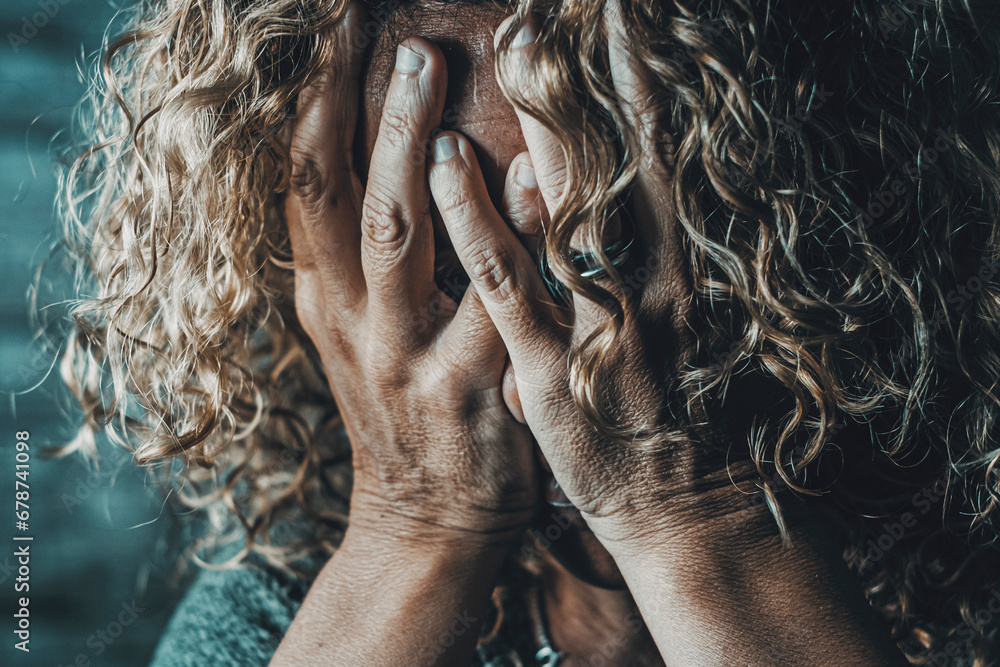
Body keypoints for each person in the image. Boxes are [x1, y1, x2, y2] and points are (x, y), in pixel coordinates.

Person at [57, 0, 1000, 664]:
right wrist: (416, 523)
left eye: (616, 261)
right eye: (456, 279)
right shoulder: (284, 611)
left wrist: (696, 517)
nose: (551, 383)